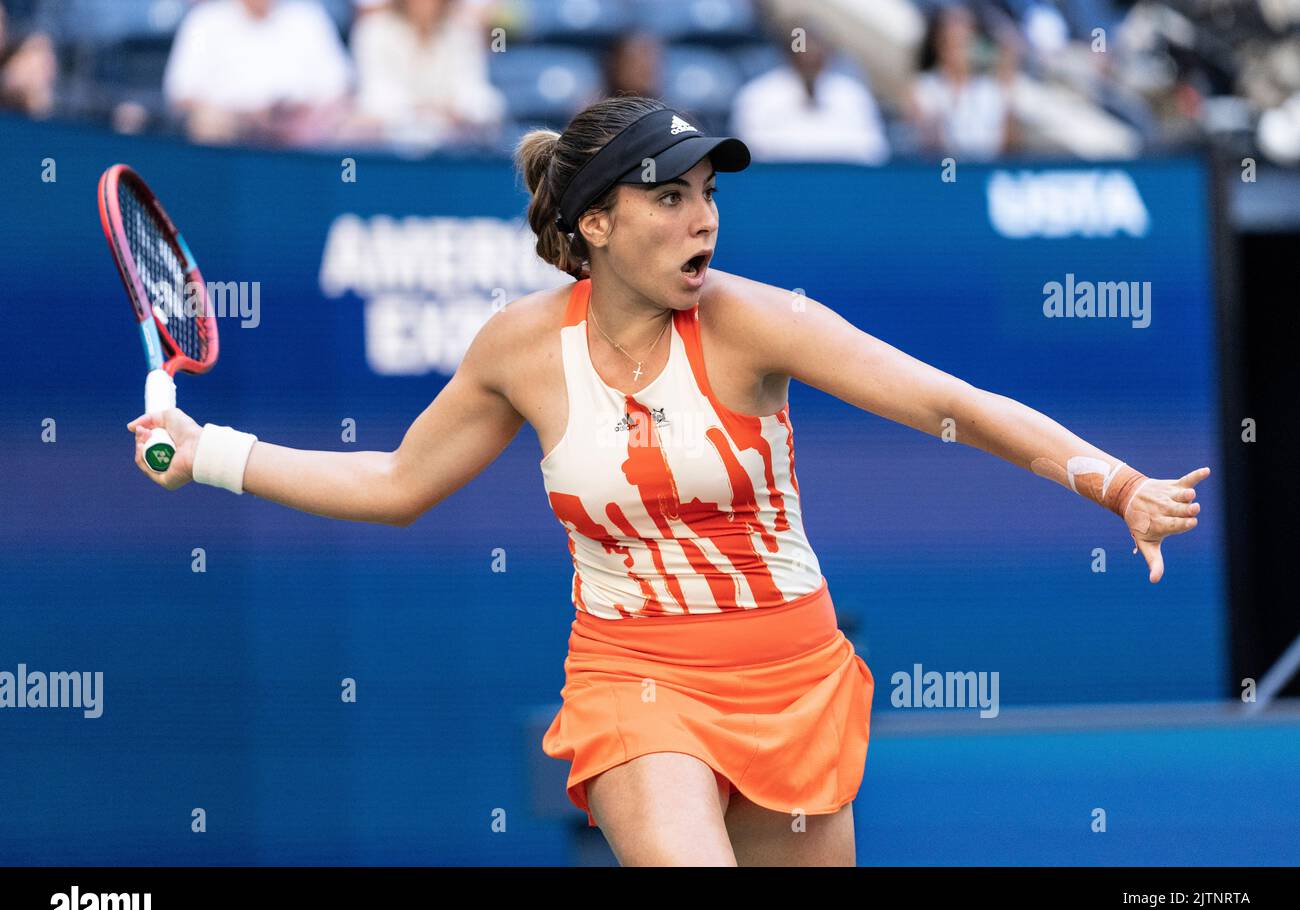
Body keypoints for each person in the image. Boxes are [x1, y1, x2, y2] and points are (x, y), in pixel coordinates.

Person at [127, 95, 1208, 866]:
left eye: (707, 194)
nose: (704, 218)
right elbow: (397, 479)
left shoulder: (760, 322)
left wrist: (1113, 484)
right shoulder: (516, 349)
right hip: (632, 677)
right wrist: (208, 452)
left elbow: (953, 403)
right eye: (670, 198)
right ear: (594, 224)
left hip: (795, 679)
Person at [162, 0, 353, 146]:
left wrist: (302, 119)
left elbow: (339, 90)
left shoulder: (309, 17)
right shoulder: (205, 20)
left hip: (301, 143)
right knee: (205, 125)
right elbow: (181, 96)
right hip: (230, 141)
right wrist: (245, 118)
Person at [350, 0, 506, 149]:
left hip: (452, 149)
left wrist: (458, 111)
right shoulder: (373, 29)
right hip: (385, 150)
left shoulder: (464, 29)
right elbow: (375, 97)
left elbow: (478, 95)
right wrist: (420, 112)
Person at [731, 20, 890, 164]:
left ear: (828, 53)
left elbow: (873, 148)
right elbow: (750, 147)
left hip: (842, 181)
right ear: (788, 53)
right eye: (803, 49)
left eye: (816, 49)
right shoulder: (758, 94)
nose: (809, 56)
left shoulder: (852, 93)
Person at [910, 5, 1018, 159]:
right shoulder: (925, 88)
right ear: (940, 45)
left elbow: (1008, 146)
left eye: (963, 42)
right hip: (946, 173)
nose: (958, 52)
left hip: (984, 172)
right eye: (952, 42)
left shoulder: (991, 90)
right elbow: (931, 147)